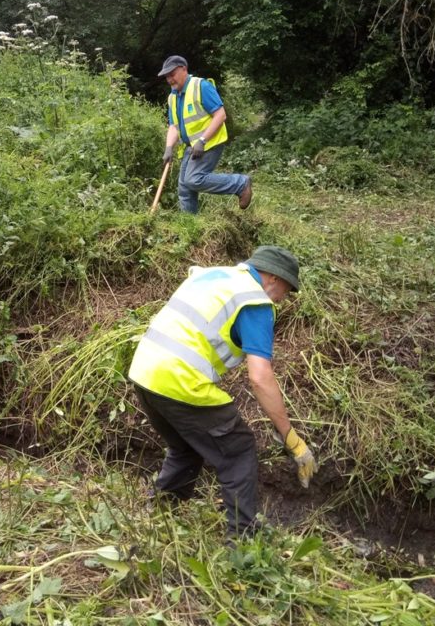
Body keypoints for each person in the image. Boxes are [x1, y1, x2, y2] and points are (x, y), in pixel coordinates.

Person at [127, 245, 317, 537]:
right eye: (287, 290)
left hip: (144, 371)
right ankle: (242, 540)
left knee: (187, 447)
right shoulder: (255, 301)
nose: (283, 298)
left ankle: (159, 516)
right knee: (238, 450)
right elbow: (260, 377)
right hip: (180, 379)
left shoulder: (214, 276)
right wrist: (291, 438)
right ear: (274, 278)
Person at [158, 55, 252, 213]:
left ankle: (240, 184)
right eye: (167, 77)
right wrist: (169, 148)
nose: (170, 80)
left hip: (209, 143)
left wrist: (202, 140)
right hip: (191, 147)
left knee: (193, 179)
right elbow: (174, 126)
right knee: (184, 188)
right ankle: (189, 223)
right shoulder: (172, 97)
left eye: (172, 74)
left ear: (184, 69)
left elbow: (220, 115)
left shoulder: (201, 86)